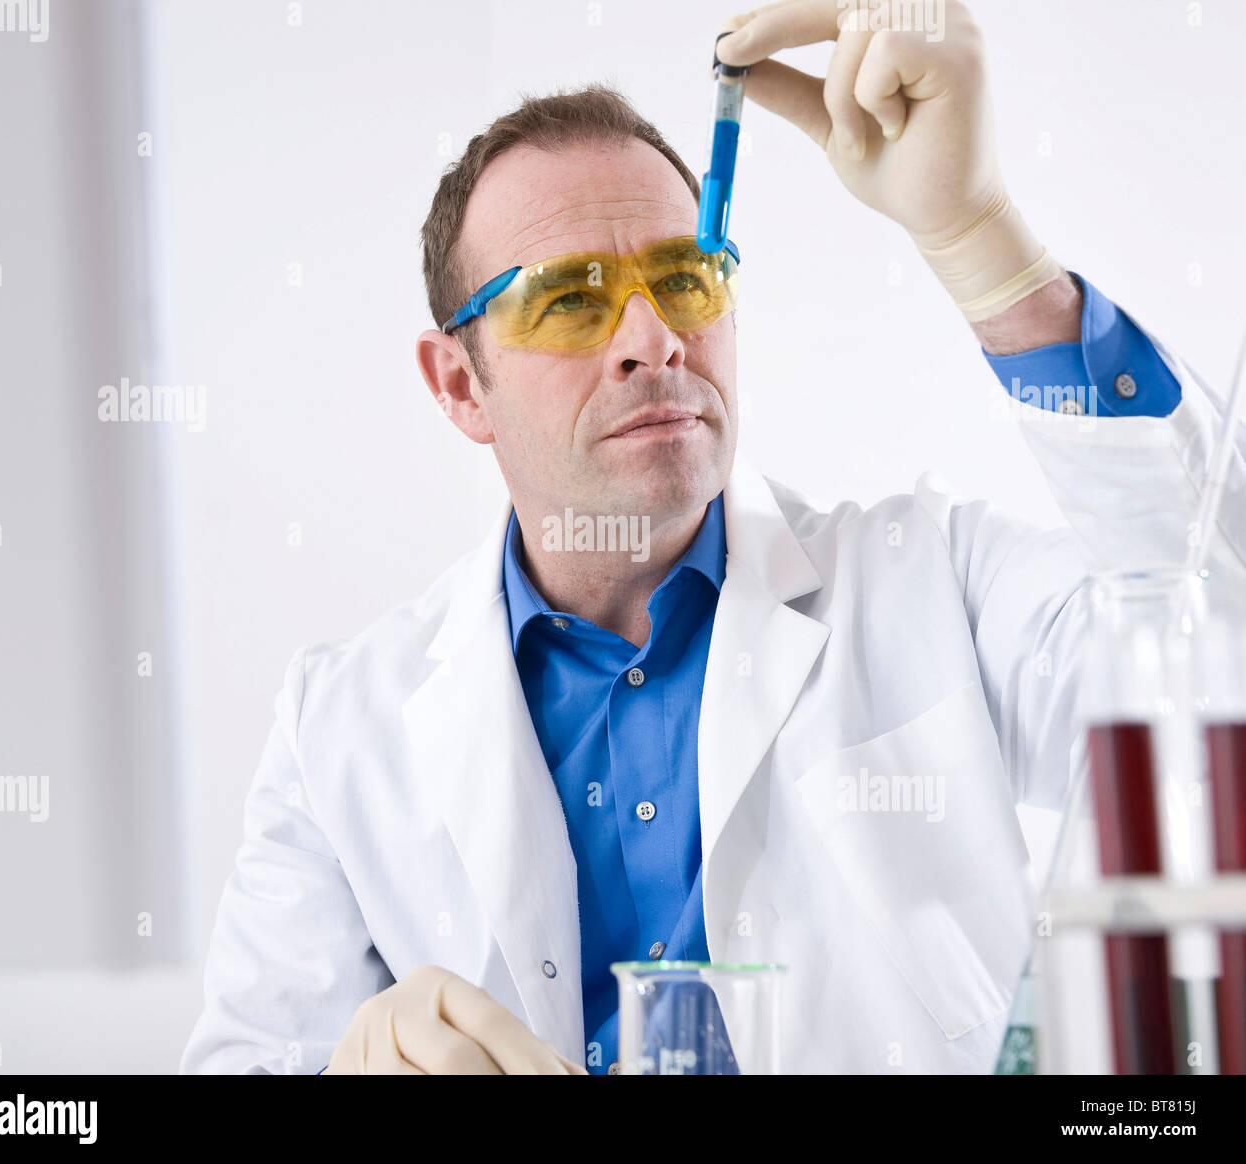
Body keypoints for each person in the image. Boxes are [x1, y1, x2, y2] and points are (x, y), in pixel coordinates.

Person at [181, 0, 1246, 1074]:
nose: (654, 341)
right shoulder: (338, 732)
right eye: (568, 301)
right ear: (460, 384)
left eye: (685, 279)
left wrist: (981, 243)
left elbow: (1216, 659)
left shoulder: (934, 585)